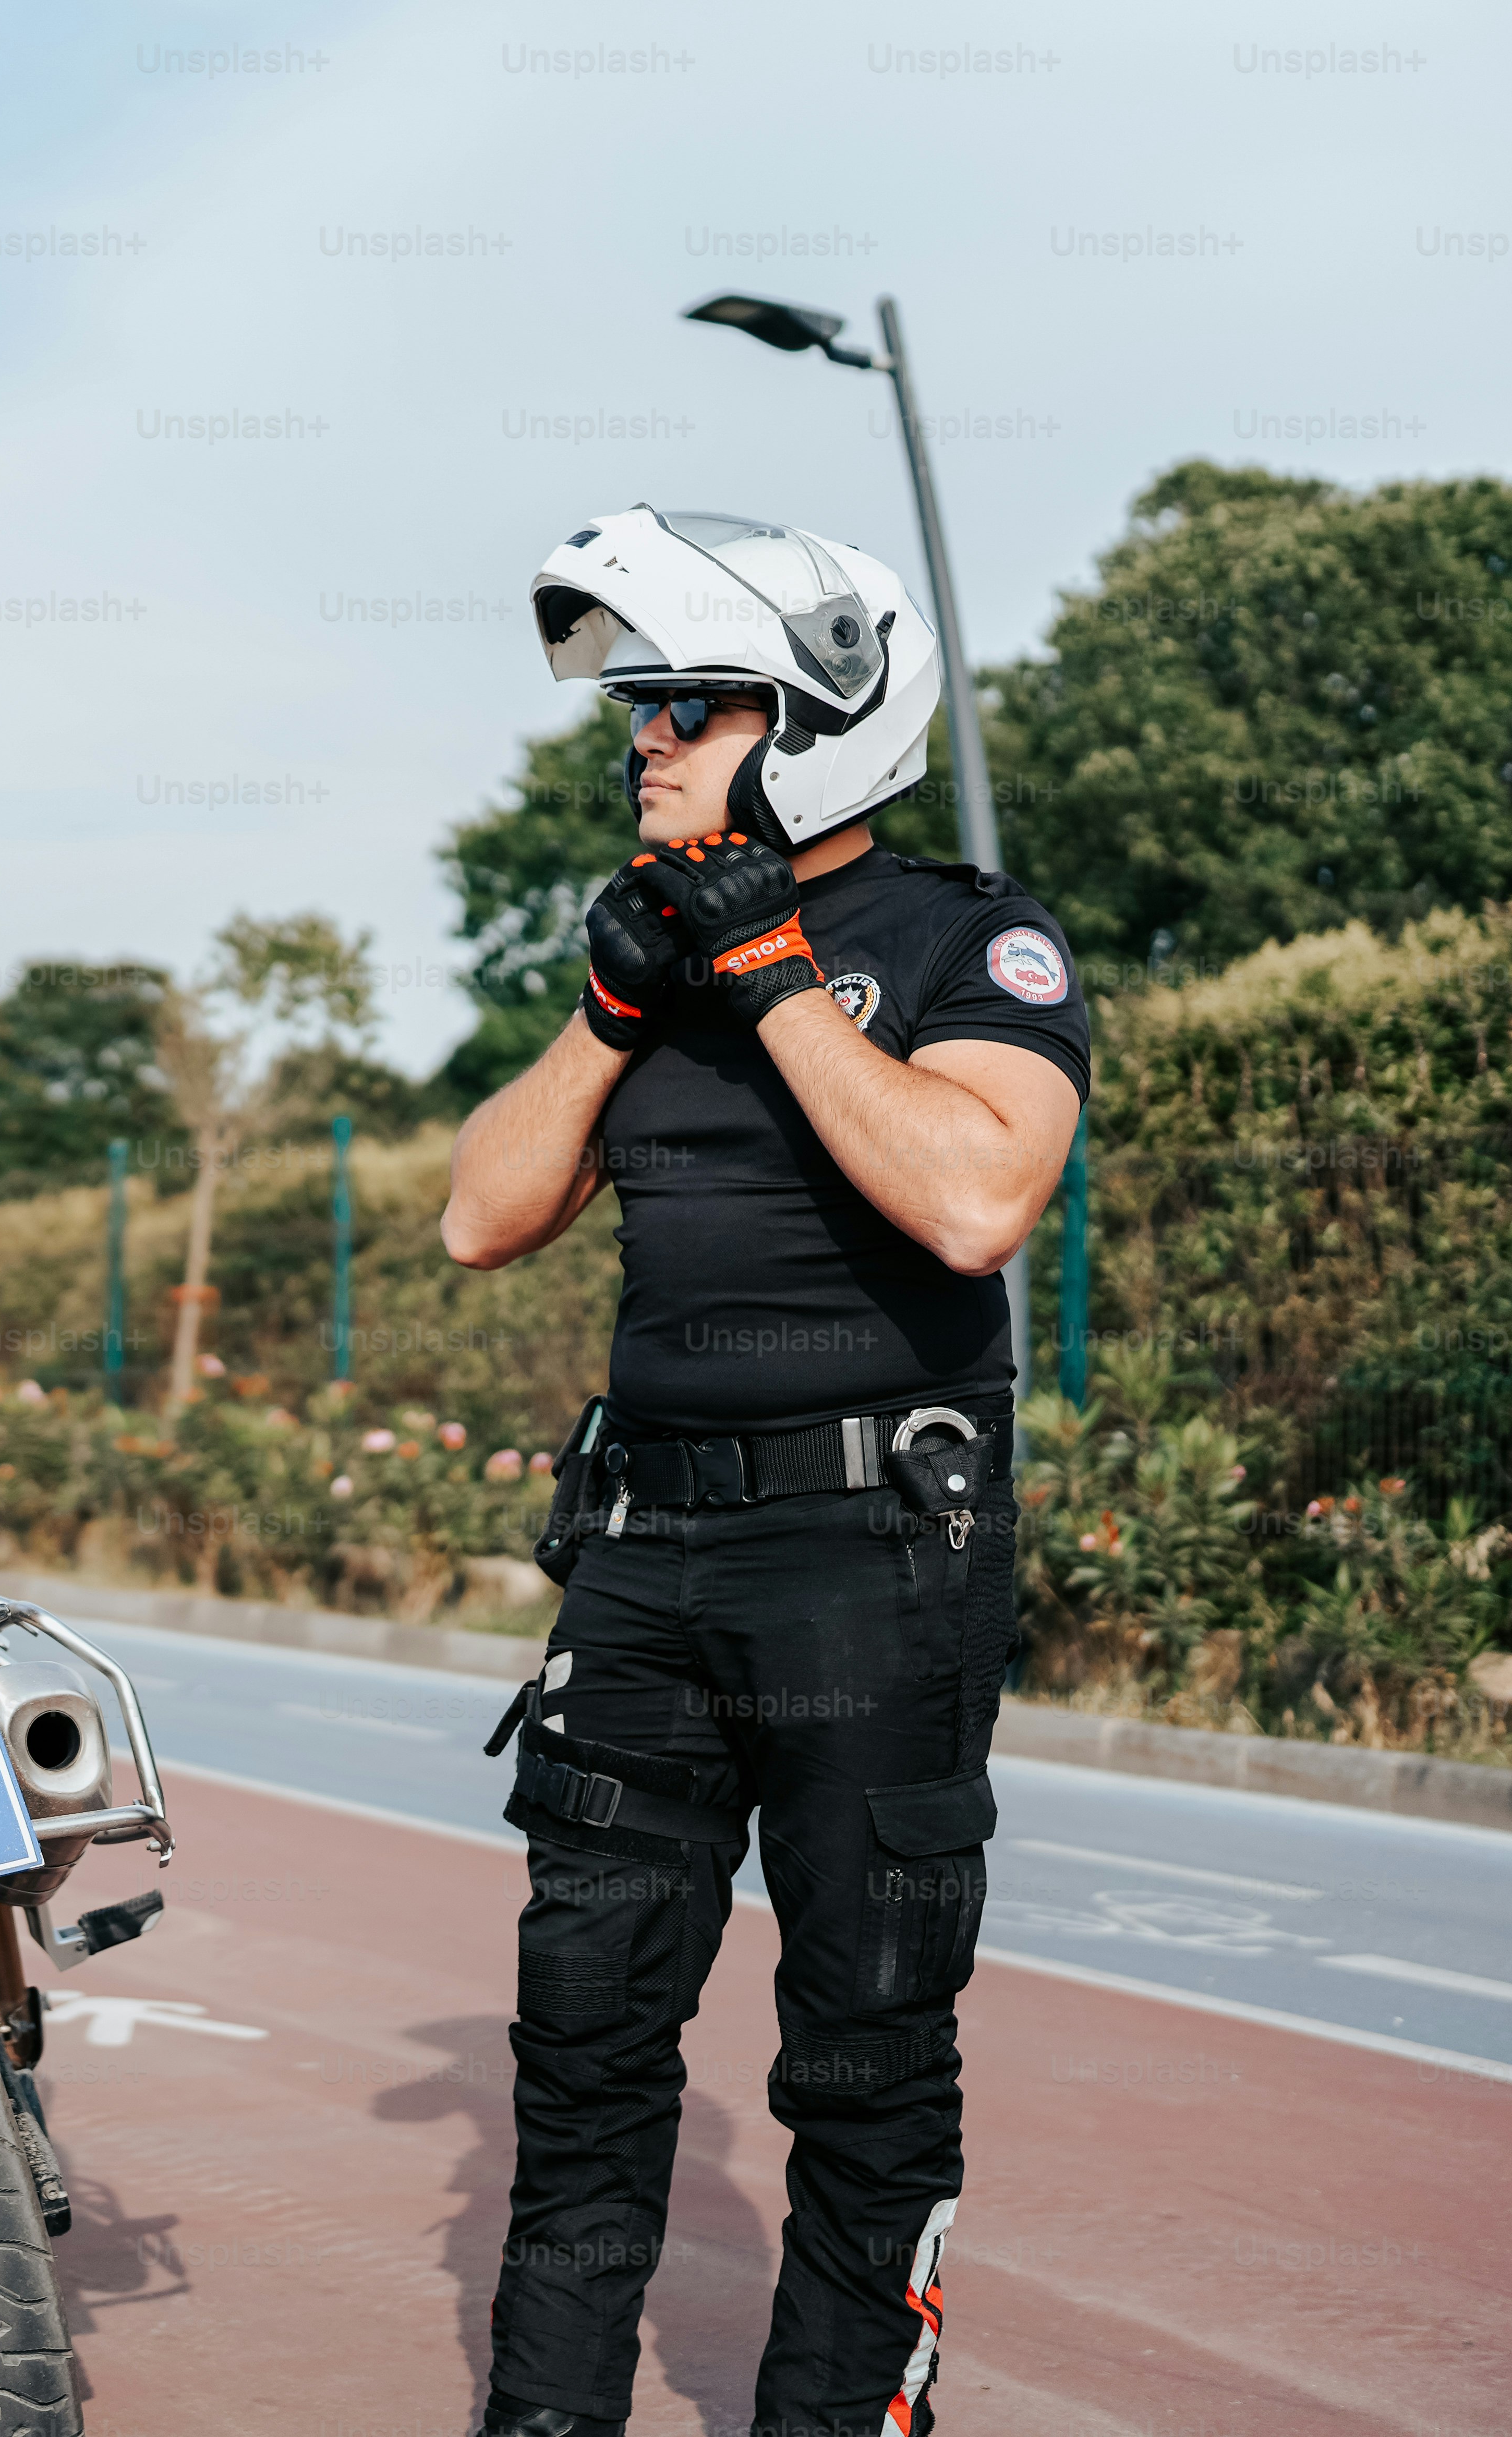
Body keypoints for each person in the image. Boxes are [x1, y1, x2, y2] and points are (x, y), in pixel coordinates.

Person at [441, 510, 1086, 2437]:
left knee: (869, 2065)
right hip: (644, 1553)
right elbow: (482, 1219)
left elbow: (978, 1201)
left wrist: (780, 975)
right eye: (633, 704)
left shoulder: (972, 940)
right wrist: (616, 1010)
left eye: (690, 703)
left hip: (873, 1561)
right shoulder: (646, 960)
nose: (641, 737)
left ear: (816, 720)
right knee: (582, 2053)